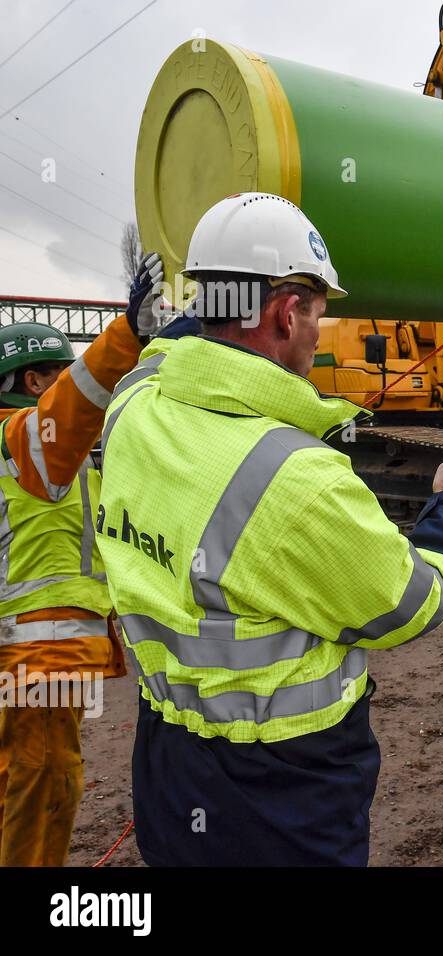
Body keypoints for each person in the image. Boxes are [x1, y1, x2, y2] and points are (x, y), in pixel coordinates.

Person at [96, 193, 443, 866]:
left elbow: (163, 354)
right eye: (318, 313)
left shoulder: (130, 408)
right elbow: (409, 605)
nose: (318, 332)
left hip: (166, 766)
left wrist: (202, 299)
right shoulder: (294, 476)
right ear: (284, 311)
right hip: (280, 796)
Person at [0, 253, 162, 866]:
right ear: (35, 383)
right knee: (45, 780)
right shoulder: (25, 439)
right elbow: (78, 401)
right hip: (37, 653)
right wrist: (128, 331)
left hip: (23, 650)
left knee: (14, 777)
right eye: (57, 375)